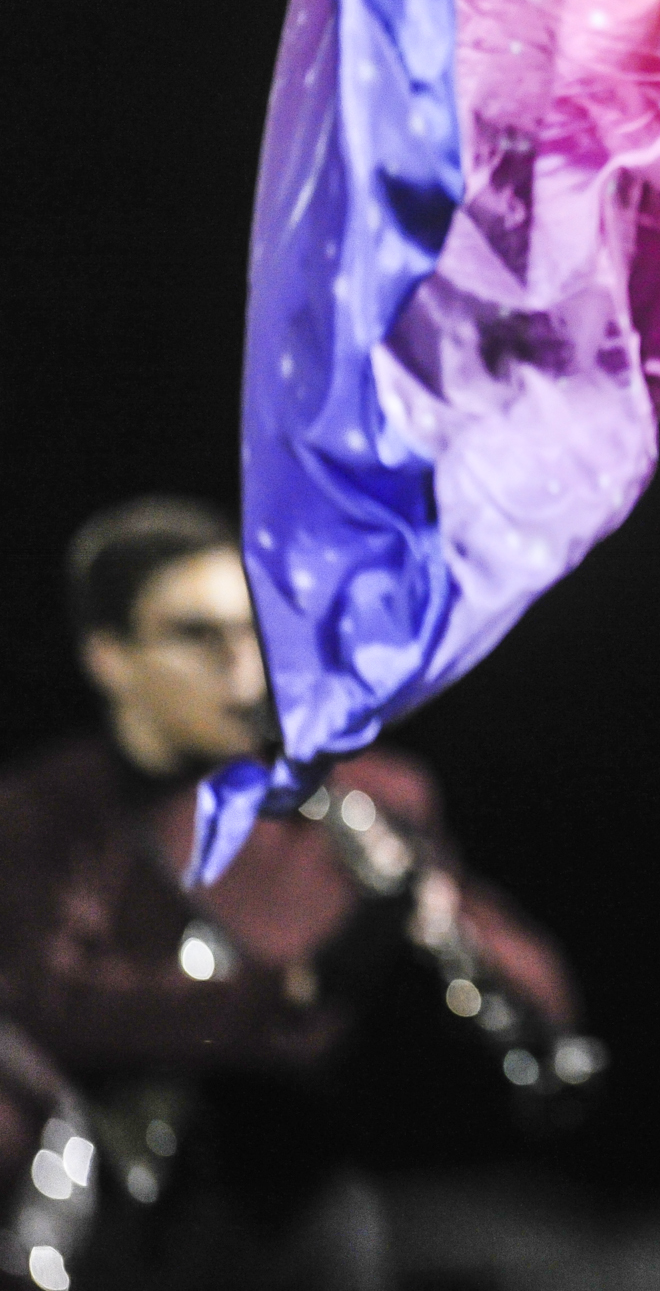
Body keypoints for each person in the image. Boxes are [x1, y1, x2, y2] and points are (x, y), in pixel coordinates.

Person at [0, 498, 580, 1291]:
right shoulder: (48, 809)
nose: (241, 667)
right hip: (120, 1230)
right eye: (197, 636)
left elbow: (542, 986)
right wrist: (289, 993)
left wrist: (441, 924)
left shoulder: (361, 802)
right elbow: (45, 1003)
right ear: (110, 658)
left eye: (251, 632)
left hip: (311, 1220)